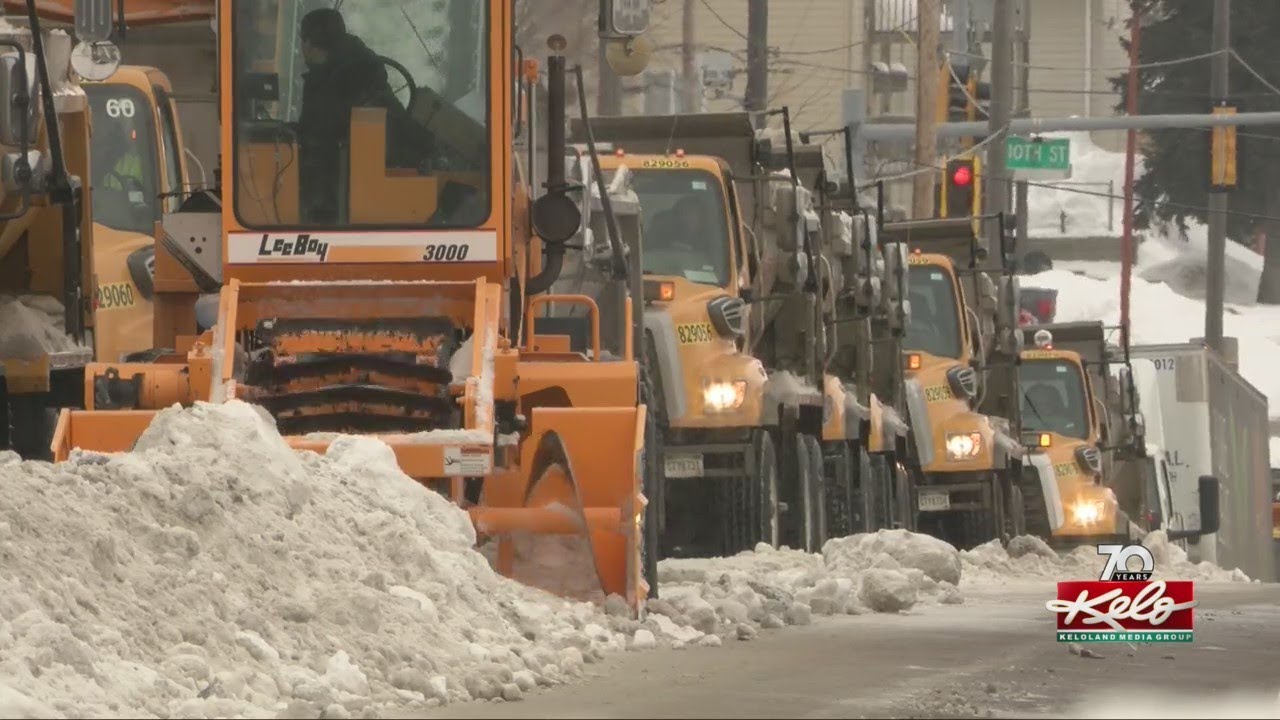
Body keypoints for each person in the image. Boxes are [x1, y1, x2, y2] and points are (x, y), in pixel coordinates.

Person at [295, 8, 428, 223]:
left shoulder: (327, 86)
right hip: (396, 160)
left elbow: (318, 139)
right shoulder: (363, 64)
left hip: (348, 188)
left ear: (308, 44)